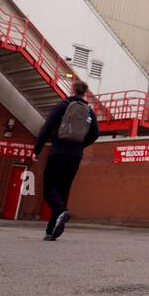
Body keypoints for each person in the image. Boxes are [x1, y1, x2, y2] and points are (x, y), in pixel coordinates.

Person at [32, 80, 100, 241]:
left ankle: (61, 212)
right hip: (75, 156)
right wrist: (81, 145)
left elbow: (47, 127)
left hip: (59, 152)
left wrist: (37, 149)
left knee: (49, 187)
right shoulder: (90, 112)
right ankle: (51, 231)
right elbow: (95, 134)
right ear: (85, 93)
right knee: (63, 190)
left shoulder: (62, 106)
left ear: (72, 89)